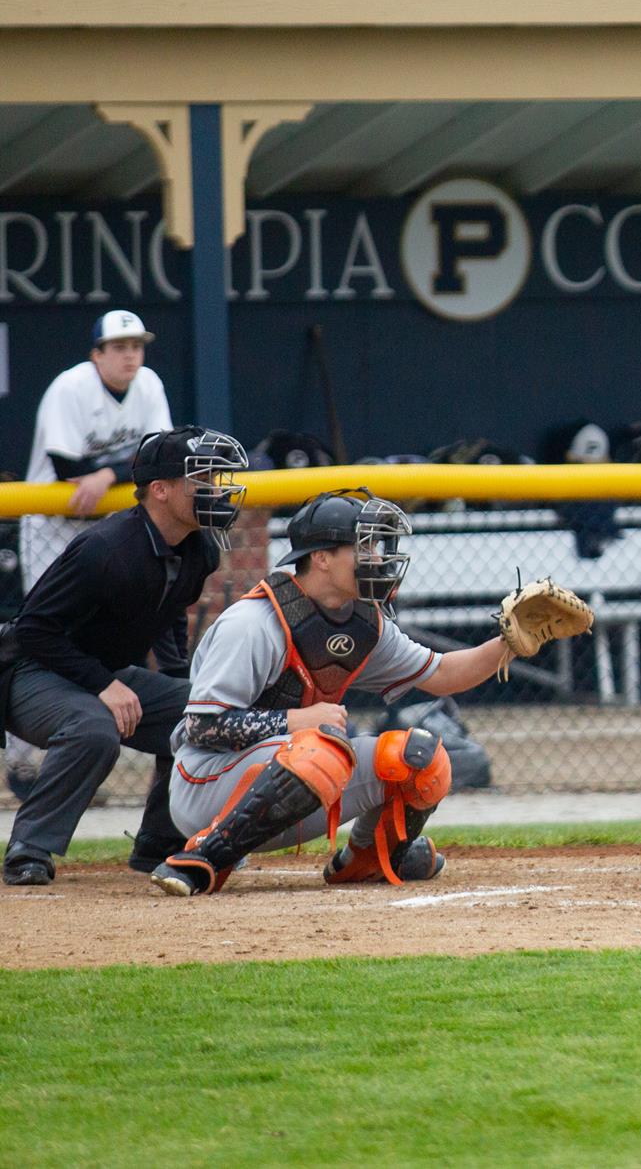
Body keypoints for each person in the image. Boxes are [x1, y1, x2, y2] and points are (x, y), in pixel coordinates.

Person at [150, 489, 560, 895]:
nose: (377, 558)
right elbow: (203, 727)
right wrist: (296, 721)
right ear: (321, 558)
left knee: (421, 759)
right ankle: (204, 859)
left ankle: (368, 859)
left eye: (376, 546)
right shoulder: (253, 623)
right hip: (205, 785)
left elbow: (441, 673)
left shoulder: (362, 622)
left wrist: (508, 643)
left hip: (299, 774)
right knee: (322, 748)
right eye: (364, 547)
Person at [1, 427, 243, 886]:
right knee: (94, 729)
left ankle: (160, 840)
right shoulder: (105, 548)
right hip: (28, 670)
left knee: (203, 713)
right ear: (160, 490)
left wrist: (178, 683)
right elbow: (33, 629)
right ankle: (28, 849)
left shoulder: (199, 549)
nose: (215, 490)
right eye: (201, 480)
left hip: (96, 671)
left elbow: (170, 612)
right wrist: (104, 685)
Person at [9, 310, 172, 800]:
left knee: (105, 640)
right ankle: (21, 762)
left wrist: (105, 474)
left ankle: (87, 746)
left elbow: (161, 455)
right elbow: (66, 466)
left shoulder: (149, 384)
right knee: (41, 639)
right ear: (96, 354)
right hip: (54, 530)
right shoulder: (70, 387)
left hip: (109, 532)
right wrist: (120, 469)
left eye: (136, 346)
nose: (130, 356)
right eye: (119, 347)